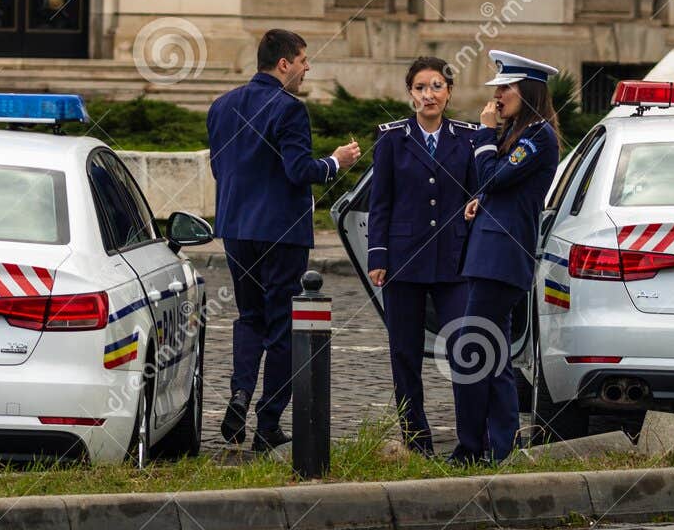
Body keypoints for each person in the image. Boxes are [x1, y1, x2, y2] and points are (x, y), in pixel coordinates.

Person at [208, 29, 361, 452]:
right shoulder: (289, 109)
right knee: (282, 325)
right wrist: (336, 162)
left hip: (236, 229)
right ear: (284, 64)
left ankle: (239, 394)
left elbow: (221, 169)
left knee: (248, 317)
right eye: (303, 60)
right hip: (281, 234)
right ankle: (269, 421)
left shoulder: (220, 106)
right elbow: (299, 171)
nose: (307, 67)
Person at [449, 50, 561, 464]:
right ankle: (494, 445)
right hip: (492, 253)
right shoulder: (519, 133)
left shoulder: (537, 136)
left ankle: (477, 445)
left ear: (527, 91)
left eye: (506, 88)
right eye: (497, 89)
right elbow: (499, 187)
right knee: (488, 350)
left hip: (502, 255)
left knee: (473, 346)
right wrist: (482, 198)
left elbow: (495, 175)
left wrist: (483, 133)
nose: (497, 97)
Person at [367, 58, 477, 455]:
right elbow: (380, 203)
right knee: (405, 353)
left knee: (466, 348)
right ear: (409, 93)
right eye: (419, 88)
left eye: (435, 87)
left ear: (449, 93)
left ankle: (470, 440)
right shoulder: (392, 139)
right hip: (404, 261)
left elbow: (475, 196)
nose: (427, 95)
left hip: (453, 260)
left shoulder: (467, 138)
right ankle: (417, 439)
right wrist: (377, 255)